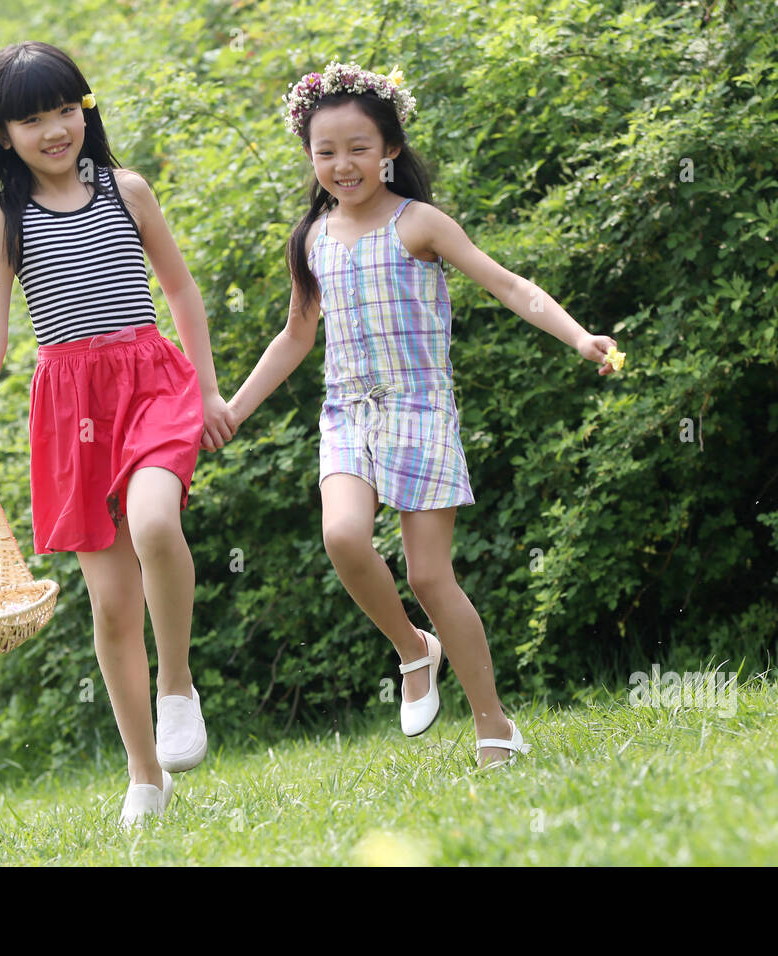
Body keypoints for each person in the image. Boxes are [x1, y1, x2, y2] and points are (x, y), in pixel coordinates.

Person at [212, 62, 623, 768]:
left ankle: (494, 724)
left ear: (391, 149)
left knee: (432, 578)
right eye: (326, 152)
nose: (343, 165)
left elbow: (507, 285)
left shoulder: (419, 224)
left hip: (421, 414)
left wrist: (580, 336)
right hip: (347, 414)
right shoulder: (311, 238)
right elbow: (296, 335)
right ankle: (412, 648)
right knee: (343, 536)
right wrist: (233, 410)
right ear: (309, 157)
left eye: (359, 148)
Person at [0, 41, 235, 827]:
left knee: (154, 522)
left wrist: (206, 390)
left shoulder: (126, 190)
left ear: (85, 111)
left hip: (151, 387)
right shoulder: (7, 218)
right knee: (109, 607)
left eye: (66, 109)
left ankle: (177, 683)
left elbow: (179, 288)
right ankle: (145, 776)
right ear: (3, 135)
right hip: (72, 413)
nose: (55, 129)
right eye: (32, 118)